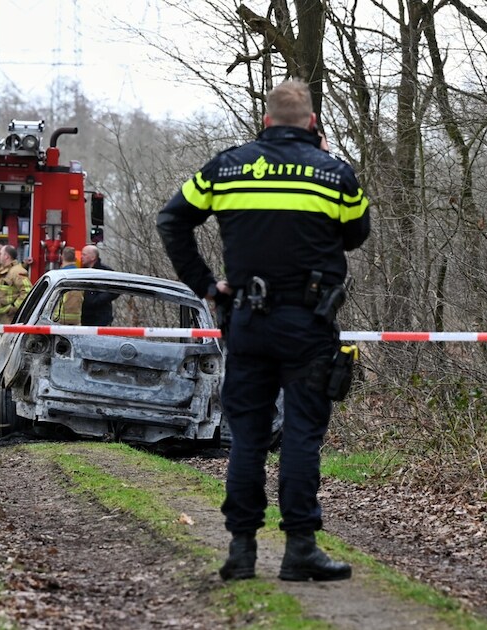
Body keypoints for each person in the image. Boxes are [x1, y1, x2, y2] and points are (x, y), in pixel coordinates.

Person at [156, 78, 369, 583]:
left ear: (266, 121)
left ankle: (241, 551)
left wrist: (207, 286)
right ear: (312, 123)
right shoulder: (335, 174)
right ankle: (299, 551)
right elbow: (356, 236)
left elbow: (172, 220)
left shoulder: (227, 167)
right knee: (300, 438)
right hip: (308, 324)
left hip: (246, 321)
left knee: (247, 439)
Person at [0, 245, 31, 325]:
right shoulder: (5, 271)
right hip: (2, 318)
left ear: (6, 256)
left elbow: (28, 292)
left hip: (11, 318)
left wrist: (14, 308)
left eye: (1, 253)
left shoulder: (17, 272)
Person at [80, 244, 118, 326]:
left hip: (101, 317)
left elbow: (117, 289)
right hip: (86, 317)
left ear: (93, 257)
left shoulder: (106, 272)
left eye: (84, 255)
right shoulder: (81, 272)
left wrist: (98, 299)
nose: (81, 257)